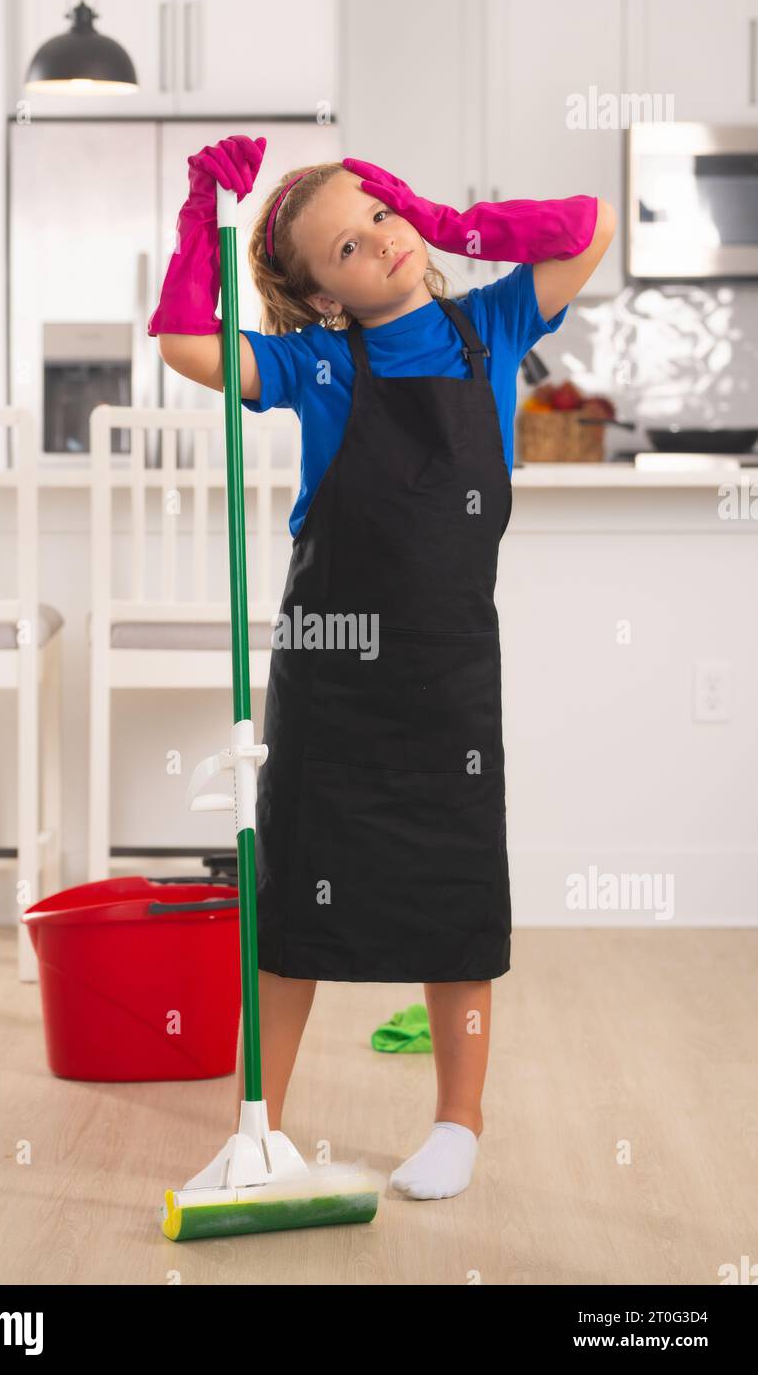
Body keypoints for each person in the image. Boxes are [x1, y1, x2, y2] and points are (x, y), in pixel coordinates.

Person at [150, 135, 615, 1200]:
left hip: (447, 678)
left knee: (454, 900)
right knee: (290, 915)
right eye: (347, 247)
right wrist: (197, 213)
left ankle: (457, 1123)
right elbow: (187, 345)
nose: (382, 241)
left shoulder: (488, 327)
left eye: (382, 213)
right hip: (329, 683)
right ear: (320, 298)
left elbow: (587, 223)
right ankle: (256, 1129)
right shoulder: (317, 366)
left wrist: (449, 217)